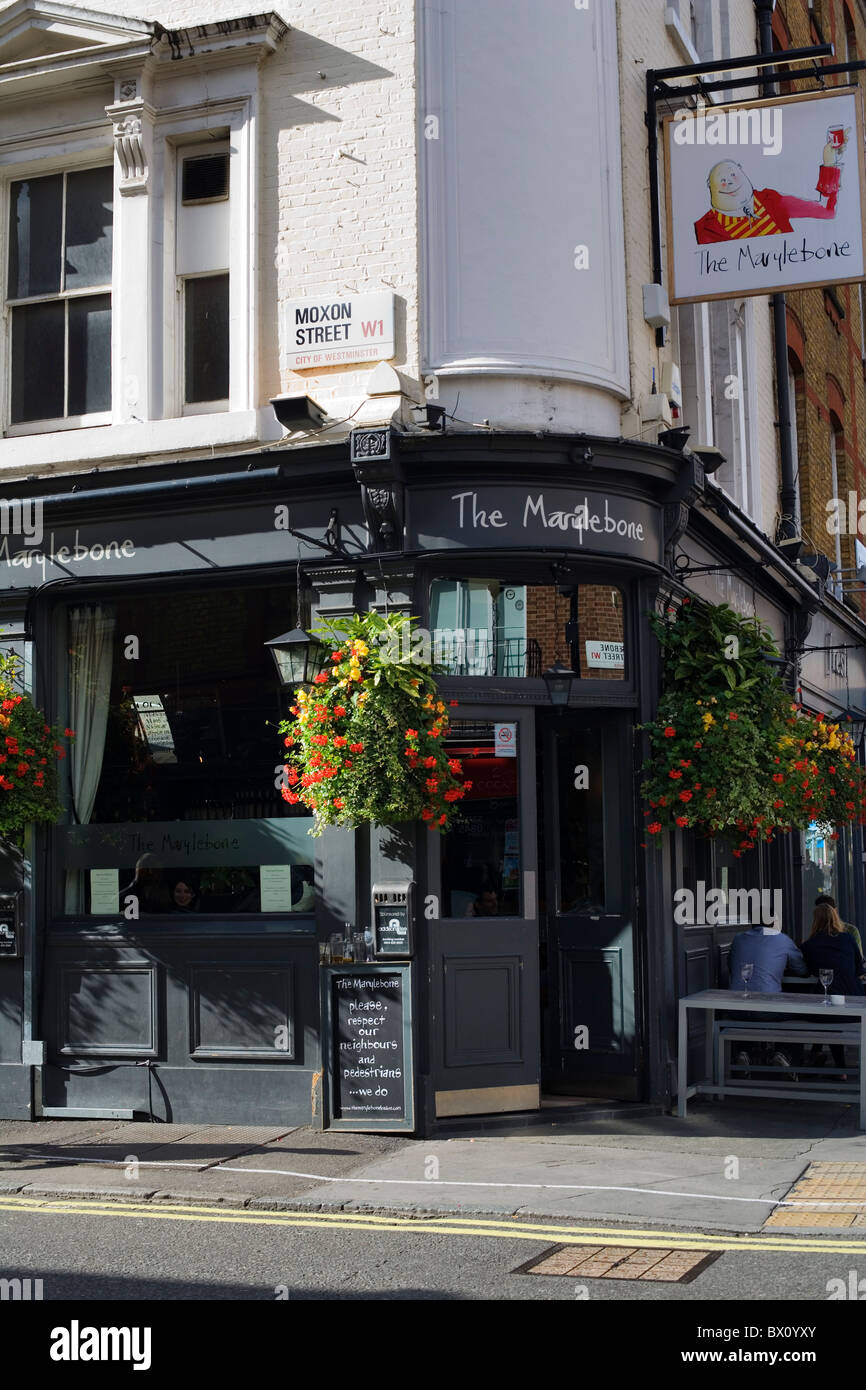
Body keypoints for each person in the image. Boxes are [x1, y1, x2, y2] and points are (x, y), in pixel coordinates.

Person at [694, 135, 847, 245]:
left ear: (742, 172)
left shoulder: (770, 200)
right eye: (722, 180)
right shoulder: (705, 228)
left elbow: (826, 210)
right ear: (711, 188)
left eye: (733, 175)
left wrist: (829, 164)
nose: (729, 183)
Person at [727, 918, 809, 1075]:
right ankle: (784, 1053)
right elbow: (801, 970)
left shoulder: (738, 939)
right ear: (772, 921)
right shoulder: (783, 939)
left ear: (752, 921)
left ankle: (744, 1051)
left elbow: (731, 966)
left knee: (746, 1011)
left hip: (734, 1008)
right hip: (766, 1010)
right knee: (801, 1013)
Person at [802, 903, 865, 1074]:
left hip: (827, 999)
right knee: (830, 1011)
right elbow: (860, 971)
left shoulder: (809, 945)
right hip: (855, 1001)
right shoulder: (848, 938)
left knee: (823, 1013)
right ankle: (831, 1063)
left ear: (815, 921)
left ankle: (834, 1065)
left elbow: (810, 971)